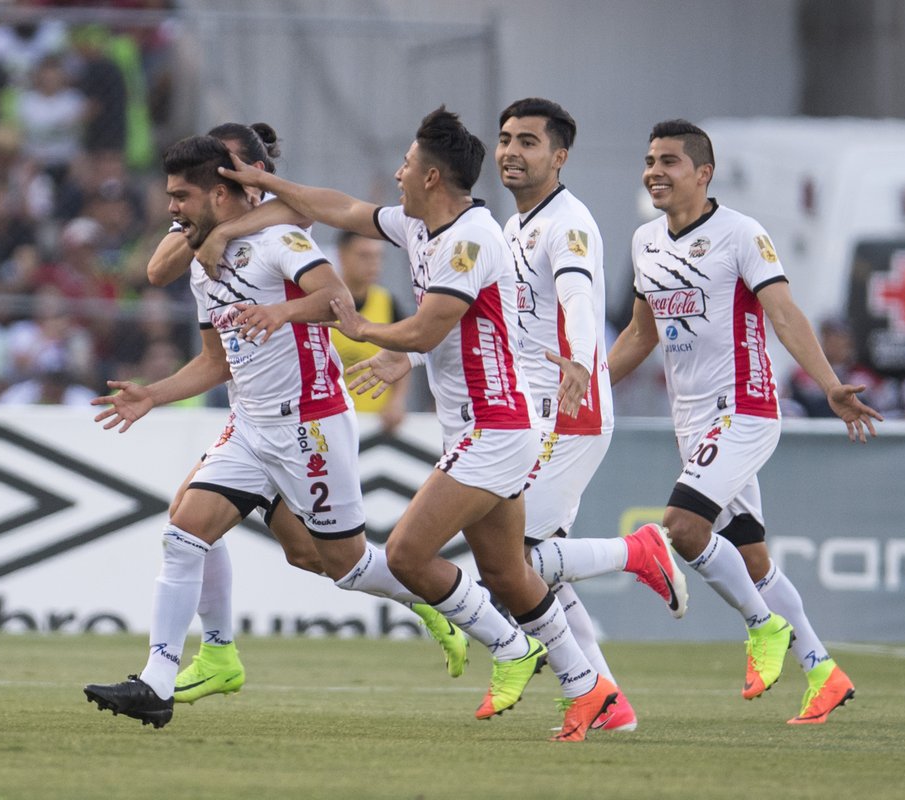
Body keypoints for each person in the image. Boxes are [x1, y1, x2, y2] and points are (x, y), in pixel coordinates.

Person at [221, 107, 619, 742]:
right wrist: (270, 185)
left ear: (432, 177)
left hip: (495, 428)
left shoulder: (471, 238)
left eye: (407, 163)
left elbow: (426, 329)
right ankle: (588, 687)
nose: (399, 172)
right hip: (480, 426)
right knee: (508, 574)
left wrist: (360, 329)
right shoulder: (419, 224)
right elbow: (341, 209)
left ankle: (520, 650)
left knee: (408, 554)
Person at [82, 135, 452, 729]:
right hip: (251, 423)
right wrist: (152, 393)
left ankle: (443, 599)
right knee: (185, 532)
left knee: (334, 561)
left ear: (233, 186)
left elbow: (328, 281)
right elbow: (203, 344)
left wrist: (266, 289)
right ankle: (165, 678)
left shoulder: (283, 239)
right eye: (170, 197)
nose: (172, 208)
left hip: (310, 422)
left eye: (182, 196)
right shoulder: (204, 258)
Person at [603, 119, 881, 724]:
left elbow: (783, 312)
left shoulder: (741, 234)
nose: (655, 170)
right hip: (692, 421)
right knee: (752, 560)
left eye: (670, 161)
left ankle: (763, 627)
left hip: (745, 410)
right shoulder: (645, 241)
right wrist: (589, 387)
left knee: (680, 525)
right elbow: (640, 333)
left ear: (703, 174)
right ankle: (824, 672)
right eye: (650, 159)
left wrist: (830, 385)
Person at [493, 97, 690, 734]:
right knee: (533, 567)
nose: (511, 152)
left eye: (528, 142)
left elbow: (579, 296)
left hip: (567, 406)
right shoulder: (513, 224)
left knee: (509, 560)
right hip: (534, 409)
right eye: (505, 139)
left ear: (559, 157)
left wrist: (581, 360)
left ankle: (637, 552)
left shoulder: (567, 223)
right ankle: (609, 700)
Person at [328, 230, 409, 433]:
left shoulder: (388, 303)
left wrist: (397, 401)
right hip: (331, 421)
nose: (373, 263)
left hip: (378, 425)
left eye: (378, 256)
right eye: (364, 255)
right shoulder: (321, 305)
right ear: (341, 255)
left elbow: (404, 355)